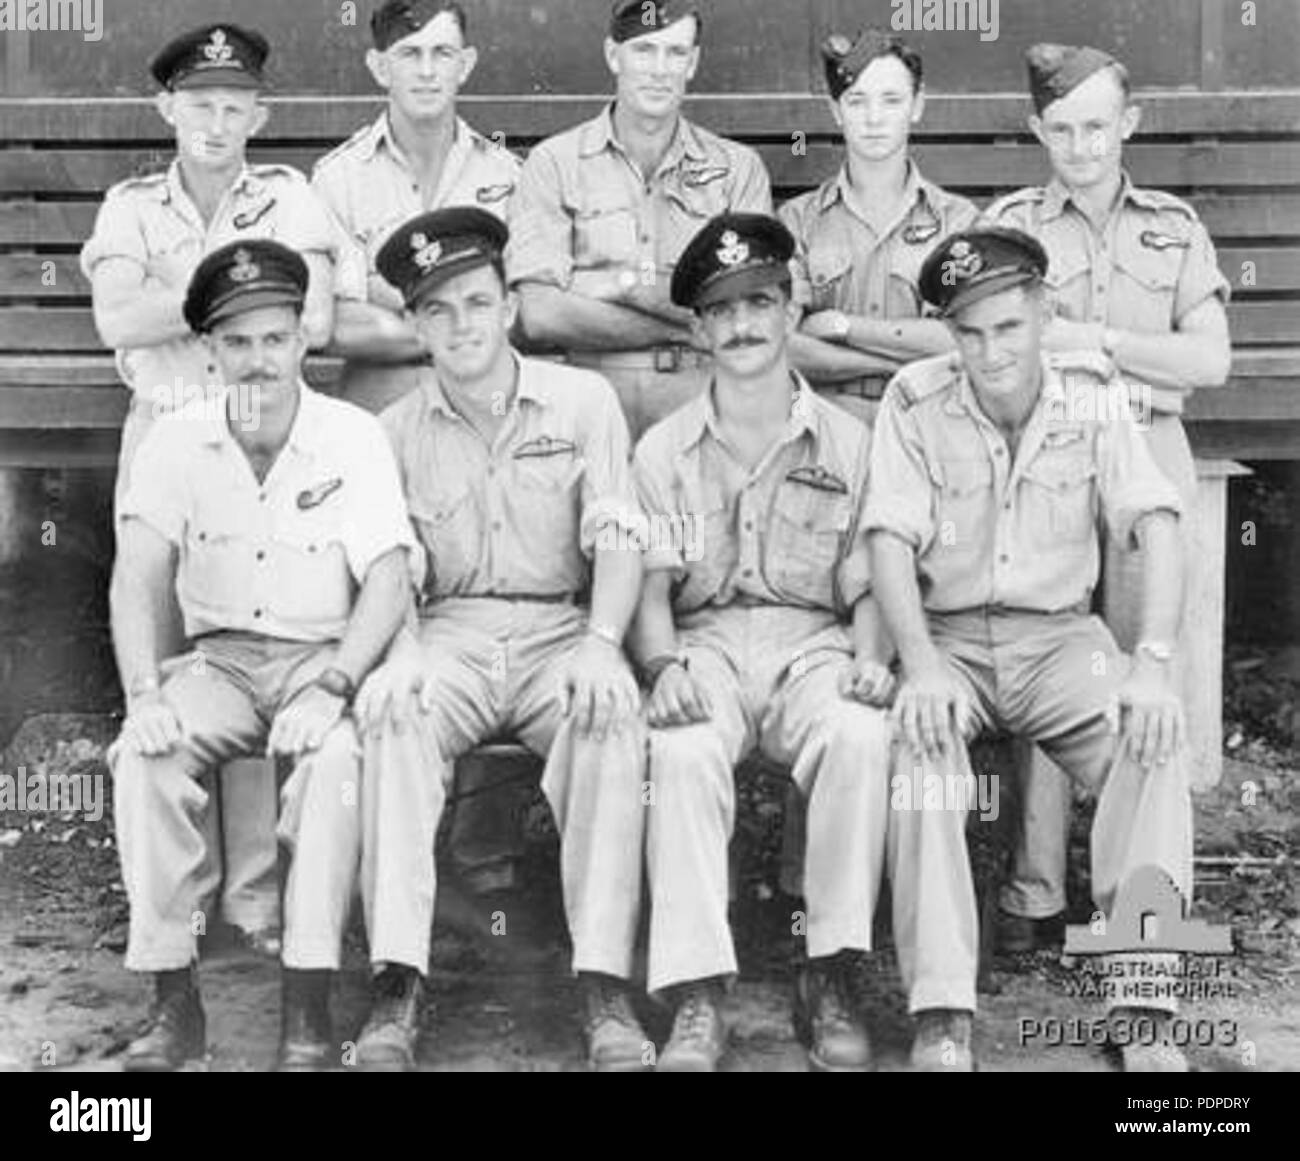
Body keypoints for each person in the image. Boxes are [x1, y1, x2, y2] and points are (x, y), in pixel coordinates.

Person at [866, 226, 1194, 1073]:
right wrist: (923, 665)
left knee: (1151, 742)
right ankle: (942, 1010)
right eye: (969, 333)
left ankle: (1144, 1003)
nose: (990, 352)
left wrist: (1153, 663)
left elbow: (1156, 521)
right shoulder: (915, 397)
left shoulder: (1091, 393)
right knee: (923, 745)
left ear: (1044, 314)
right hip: (951, 641)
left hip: (1062, 642)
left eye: (1008, 327)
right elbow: (890, 544)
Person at [108, 240, 422, 1072]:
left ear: (302, 343)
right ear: (209, 350)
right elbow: (134, 577)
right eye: (237, 342)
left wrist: (335, 683)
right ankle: (174, 1005)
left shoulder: (350, 435)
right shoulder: (174, 441)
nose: (258, 361)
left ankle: (307, 1010)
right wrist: (145, 695)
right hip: (218, 663)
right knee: (144, 758)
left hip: (320, 653)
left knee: (334, 759)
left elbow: (388, 581)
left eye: (274, 339)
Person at [349, 208, 649, 1073]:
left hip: (562, 626)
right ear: (413, 324)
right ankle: (397, 978)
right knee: (395, 716)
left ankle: (603, 983)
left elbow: (619, 535)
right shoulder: (392, 431)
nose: (461, 326)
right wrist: (400, 650)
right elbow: (389, 566)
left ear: (510, 306)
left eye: (477, 303)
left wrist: (602, 641)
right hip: (449, 631)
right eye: (437, 311)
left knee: (608, 721)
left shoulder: (583, 400)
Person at [81, 21, 346, 954]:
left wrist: (183, 301)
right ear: (168, 109)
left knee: (247, 637)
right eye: (200, 105)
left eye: (236, 106)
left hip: (263, 430)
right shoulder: (129, 205)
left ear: (260, 114)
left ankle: (253, 896)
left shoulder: (290, 195)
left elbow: (306, 312)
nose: (218, 122)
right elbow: (117, 315)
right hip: (164, 429)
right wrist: (233, 301)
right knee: (164, 667)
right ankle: (174, 896)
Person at [630, 213, 894, 1073]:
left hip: (813, 645)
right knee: (678, 750)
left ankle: (829, 971)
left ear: (790, 311)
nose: (742, 325)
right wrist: (663, 666)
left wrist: (870, 661)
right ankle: (698, 991)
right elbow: (651, 587)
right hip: (703, 641)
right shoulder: (664, 450)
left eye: (759, 303)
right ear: (700, 330)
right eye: (722, 311)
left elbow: (868, 581)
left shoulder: (852, 444)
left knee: (860, 735)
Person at [981, 44, 1231, 953]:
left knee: (1143, 673)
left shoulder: (1172, 227)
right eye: (1062, 128)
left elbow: (1209, 362)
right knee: (1052, 658)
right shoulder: (1008, 228)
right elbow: (997, 352)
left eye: (1097, 125)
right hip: (1041, 458)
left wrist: (1096, 342)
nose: (1080, 144)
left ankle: (1139, 911)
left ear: (1128, 124)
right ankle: (1035, 892)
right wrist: (1142, 358)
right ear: (1037, 130)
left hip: (1145, 456)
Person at [506, 0, 771, 440]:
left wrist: (614, 284)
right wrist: (689, 324)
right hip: (587, 402)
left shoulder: (737, 170)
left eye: (675, 53)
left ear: (694, 62)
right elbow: (539, 314)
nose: (659, 69)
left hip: (703, 402)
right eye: (644, 50)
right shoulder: (554, 163)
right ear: (614, 55)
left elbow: (747, 313)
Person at [312, 0, 521, 415]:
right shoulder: (337, 179)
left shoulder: (508, 175)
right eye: (409, 53)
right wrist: (462, 324)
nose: (427, 71)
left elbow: (523, 312)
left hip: (486, 415)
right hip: (380, 414)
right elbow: (334, 325)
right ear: (379, 66)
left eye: (442, 53)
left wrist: (388, 304)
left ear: (465, 64)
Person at [780, 29, 977, 425]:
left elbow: (960, 341)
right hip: (822, 423)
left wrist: (841, 325)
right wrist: (892, 364)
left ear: (917, 106)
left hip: (927, 423)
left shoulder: (957, 221)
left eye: (891, 100)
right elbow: (781, 346)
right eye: (857, 101)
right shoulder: (797, 221)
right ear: (836, 110)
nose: (873, 119)